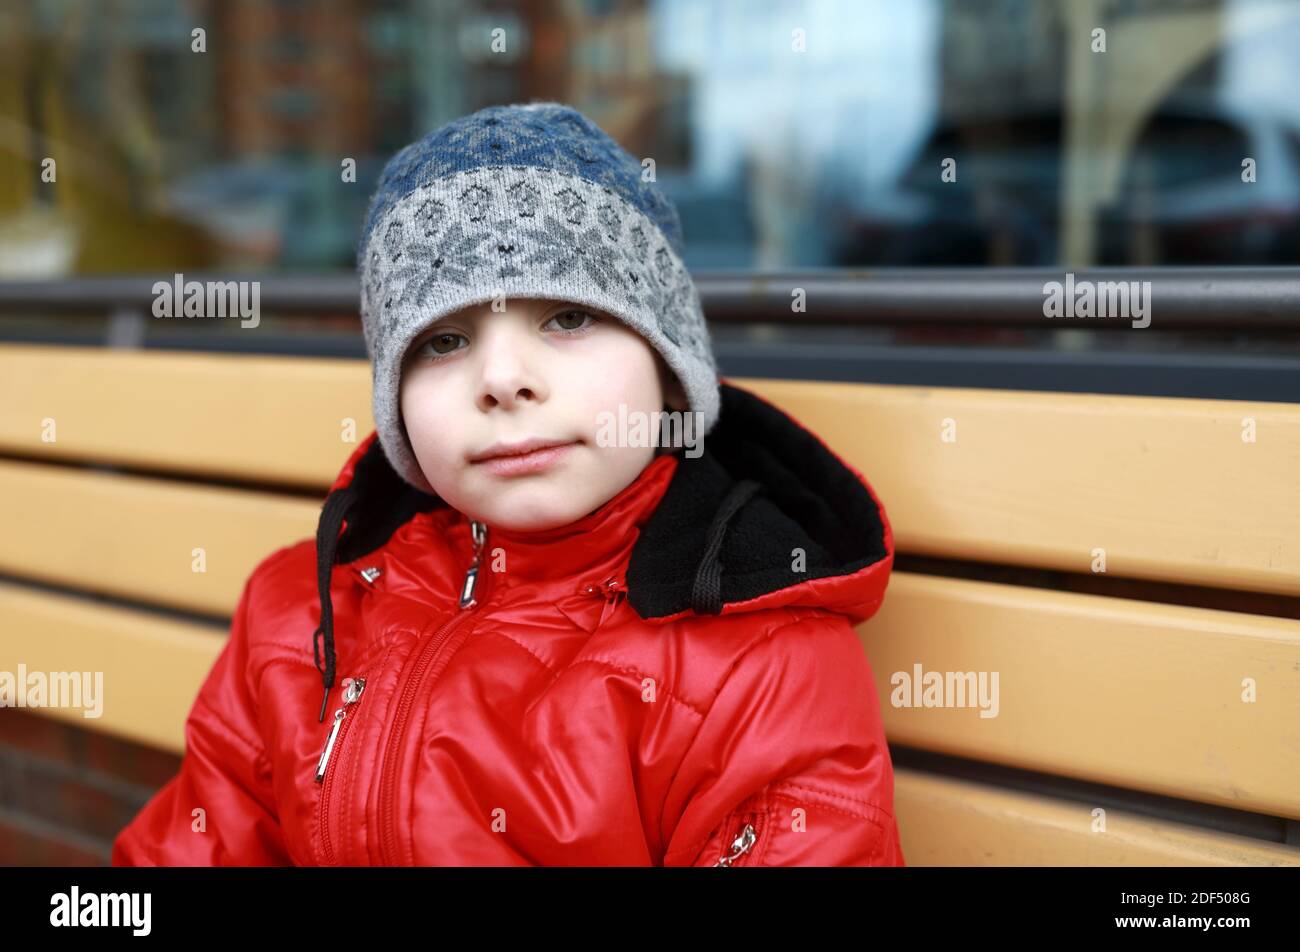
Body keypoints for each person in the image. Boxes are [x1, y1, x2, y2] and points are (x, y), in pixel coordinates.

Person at [111, 101, 903, 866]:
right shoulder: (301, 607)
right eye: (445, 339)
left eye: (567, 318)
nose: (502, 379)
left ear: (669, 372)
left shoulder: (762, 665)